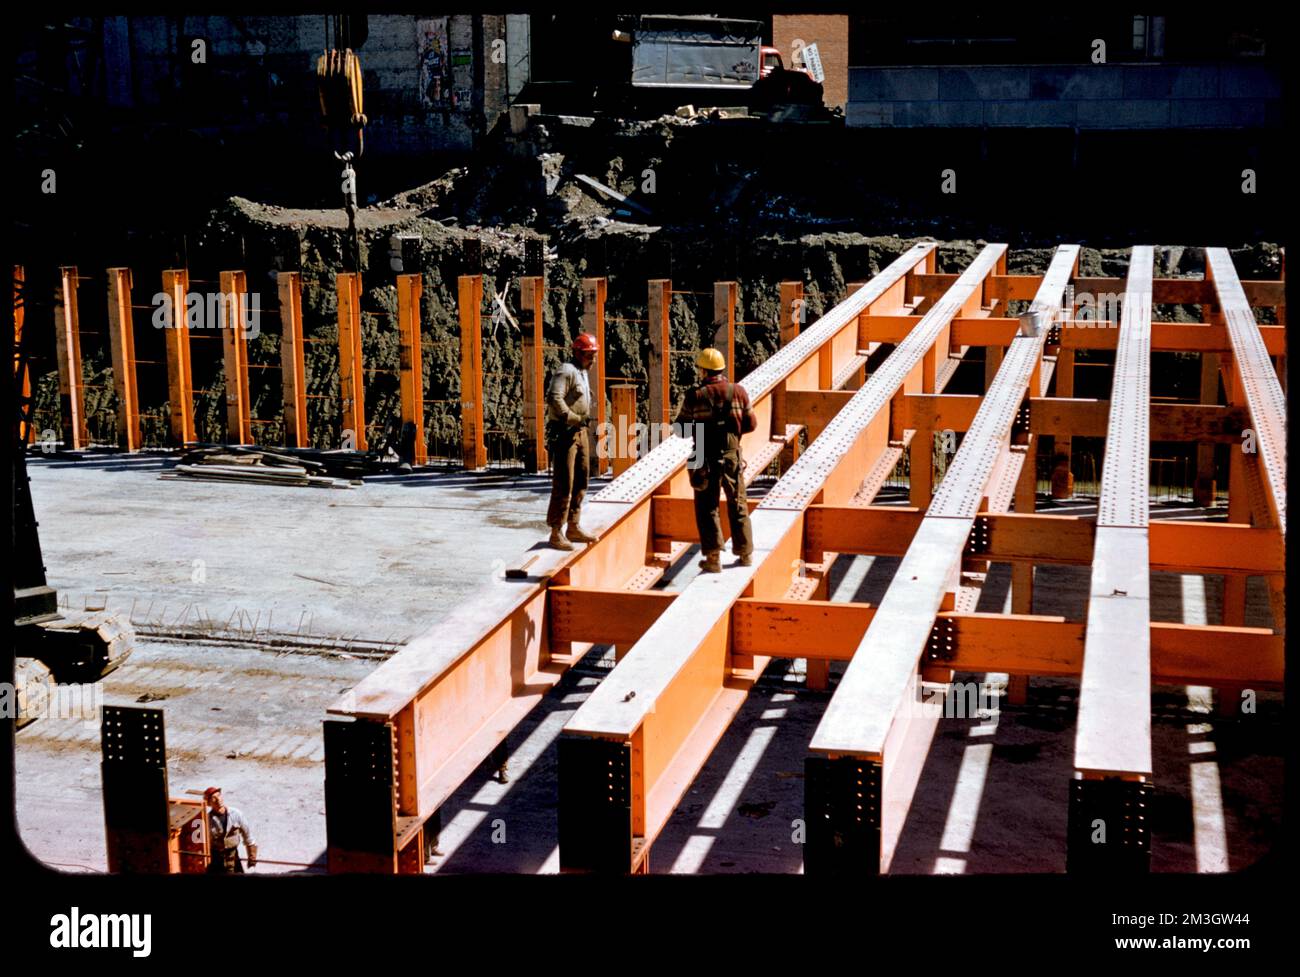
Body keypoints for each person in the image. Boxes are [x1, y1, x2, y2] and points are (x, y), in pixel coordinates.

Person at [674, 348, 757, 573]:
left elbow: (680, 429)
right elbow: (751, 424)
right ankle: (745, 553)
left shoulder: (695, 395)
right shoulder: (738, 392)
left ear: (703, 370)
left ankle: (713, 559)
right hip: (732, 457)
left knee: (707, 506)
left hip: (704, 457)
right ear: (721, 369)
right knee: (738, 503)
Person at [544, 333, 600, 550]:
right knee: (564, 482)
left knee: (581, 479)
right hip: (565, 432)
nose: (592, 360)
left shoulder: (582, 372)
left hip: (580, 432)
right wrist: (572, 418)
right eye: (589, 355)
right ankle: (556, 531)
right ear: (577, 353)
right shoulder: (566, 371)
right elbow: (554, 397)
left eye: (593, 355)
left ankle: (573, 525)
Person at [203, 787, 258, 873]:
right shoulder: (206, 820)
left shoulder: (236, 814)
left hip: (233, 857)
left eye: (219, 796)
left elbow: (248, 837)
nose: (218, 799)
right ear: (208, 803)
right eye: (213, 798)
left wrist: (252, 856)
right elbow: (201, 843)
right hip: (216, 860)